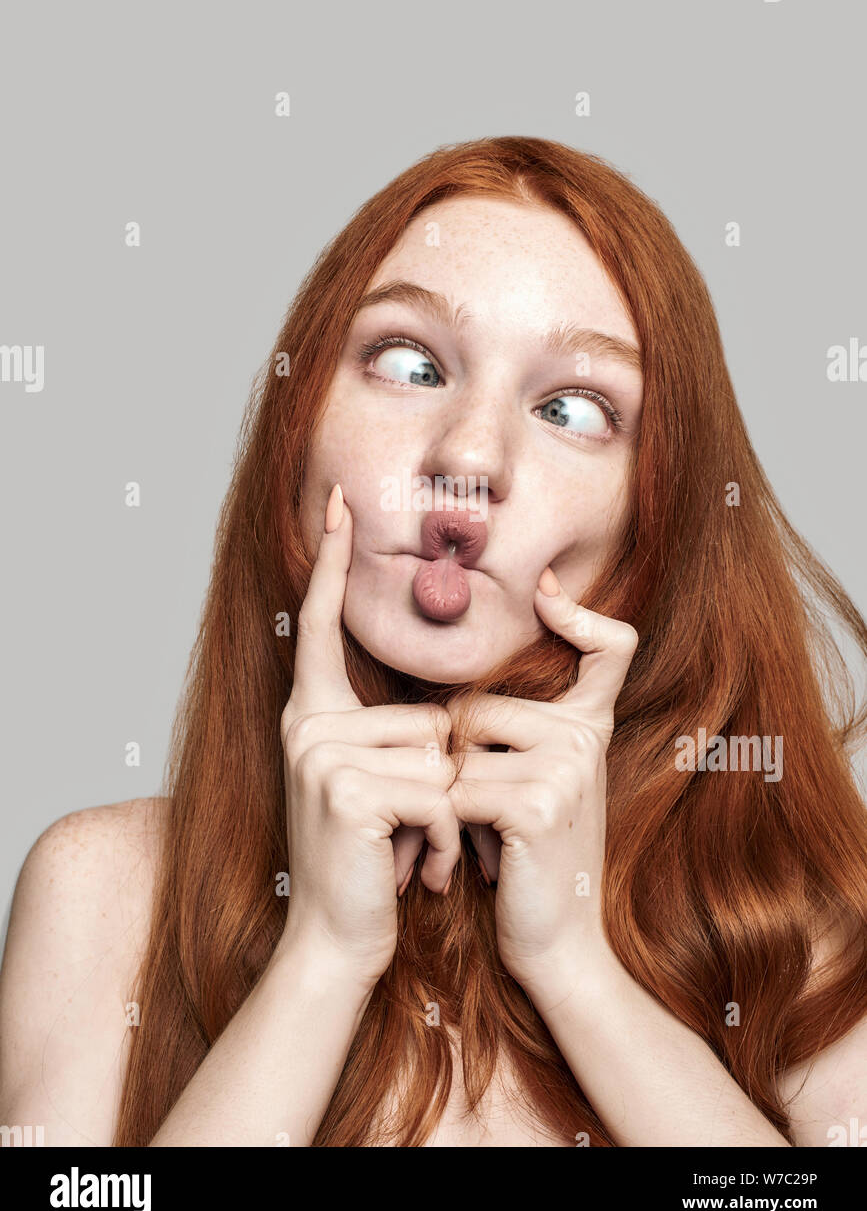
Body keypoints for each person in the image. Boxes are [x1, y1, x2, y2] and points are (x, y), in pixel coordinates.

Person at [2, 136, 866, 1147]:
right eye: (410, 365)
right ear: (301, 419)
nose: (468, 454)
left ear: (655, 510)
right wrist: (319, 957)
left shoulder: (795, 917)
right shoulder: (105, 890)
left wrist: (578, 971)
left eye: (571, 408)